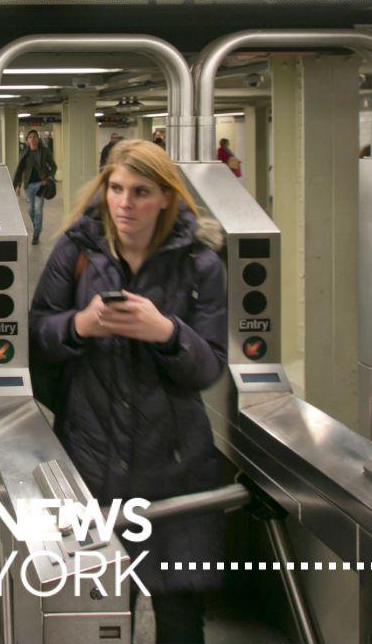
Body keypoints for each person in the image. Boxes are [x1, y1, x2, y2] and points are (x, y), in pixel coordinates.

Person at [29, 139, 226, 643]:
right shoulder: (75, 250)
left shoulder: (200, 265)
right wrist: (80, 325)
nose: (124, 203)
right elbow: (36, 334)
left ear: (166, 197)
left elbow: (209, 368)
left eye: (140, 191)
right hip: (91, 463)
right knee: (97, 620)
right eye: (116, 188)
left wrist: (167, 333)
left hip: (177, 474)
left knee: (182, 622)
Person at [13, 129, 57, 246]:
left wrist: (48, 178)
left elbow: (54, 167)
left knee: (38, 210)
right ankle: (36, 226)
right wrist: (18, 185)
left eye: (34, 137)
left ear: (38, 139)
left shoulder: (45, 152)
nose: (32, 139)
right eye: (30, 137)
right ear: (27, 140)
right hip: (28, 186)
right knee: (30, 210)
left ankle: (36, 234)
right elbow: (20, 170)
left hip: (40, 185)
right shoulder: (25, 153)